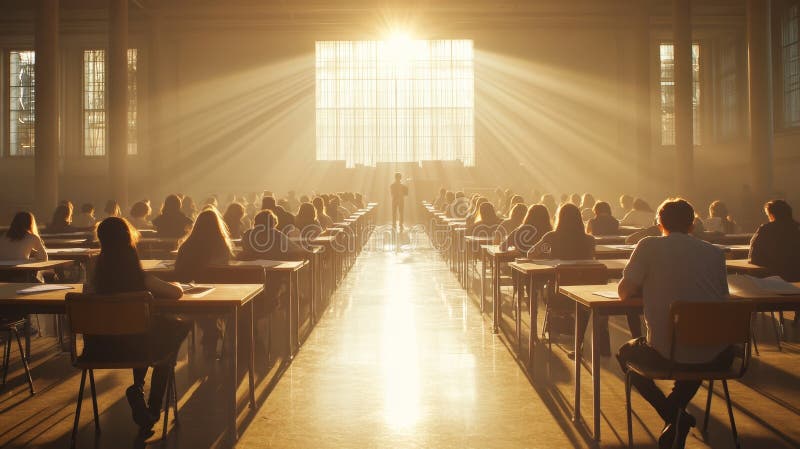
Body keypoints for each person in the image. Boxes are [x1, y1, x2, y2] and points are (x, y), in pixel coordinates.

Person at [617, 199, 731, 449]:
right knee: (696, 345)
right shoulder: (715, 252)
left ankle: (673, 415)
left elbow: (624, 292)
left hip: (665, 354)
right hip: (716, 355)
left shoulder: (647, 246)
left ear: (659, 223)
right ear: (692, 224)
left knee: (625, 353)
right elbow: (723, 298)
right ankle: (677, 415)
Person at [84, 217, 188, 435]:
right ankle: (151, 407)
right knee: (176, 328)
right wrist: (176, 284)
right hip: (138, 348)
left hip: (99, 351)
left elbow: (87, 299)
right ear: (129, 242)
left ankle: (139, 388)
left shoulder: (92, 282)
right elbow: (176, 293)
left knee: (144, 333)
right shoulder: (141, 280)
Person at [174, 209, 234, 357]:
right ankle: (215, 333)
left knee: (200, 309)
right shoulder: (222, 246)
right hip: (220, 297)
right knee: (212, 309)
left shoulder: (186, 245)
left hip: (188, 297)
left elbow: (179, 272)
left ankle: (210, 330)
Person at [749, 199, 800, 282]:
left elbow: (754, 256)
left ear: (772, 215)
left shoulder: (766, 229)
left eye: (768, 215)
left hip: (772, 277)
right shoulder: (797, 228)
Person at [527, 203, 594, 259]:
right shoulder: (590, 240)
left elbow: (530, 254)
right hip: (584, 274)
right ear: (579, 219)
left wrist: (548, 256)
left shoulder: (551, 237)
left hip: (559, 274)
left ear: (560, 219)